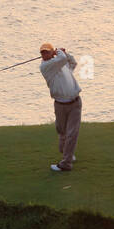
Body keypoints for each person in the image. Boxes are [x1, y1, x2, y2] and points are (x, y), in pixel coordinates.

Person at [39, 43, 82, 172]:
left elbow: (72, 62)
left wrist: (65, 52)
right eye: (42, 53)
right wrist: (59, 52)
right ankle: (66, 153)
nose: (44, 54)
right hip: (60, 104)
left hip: (75, 103)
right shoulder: (45, 66)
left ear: (51, 53)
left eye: (46, 52)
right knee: (61, 131)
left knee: (71, 133)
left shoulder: (61, 63)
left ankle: (66, 163)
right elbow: (62, 59)